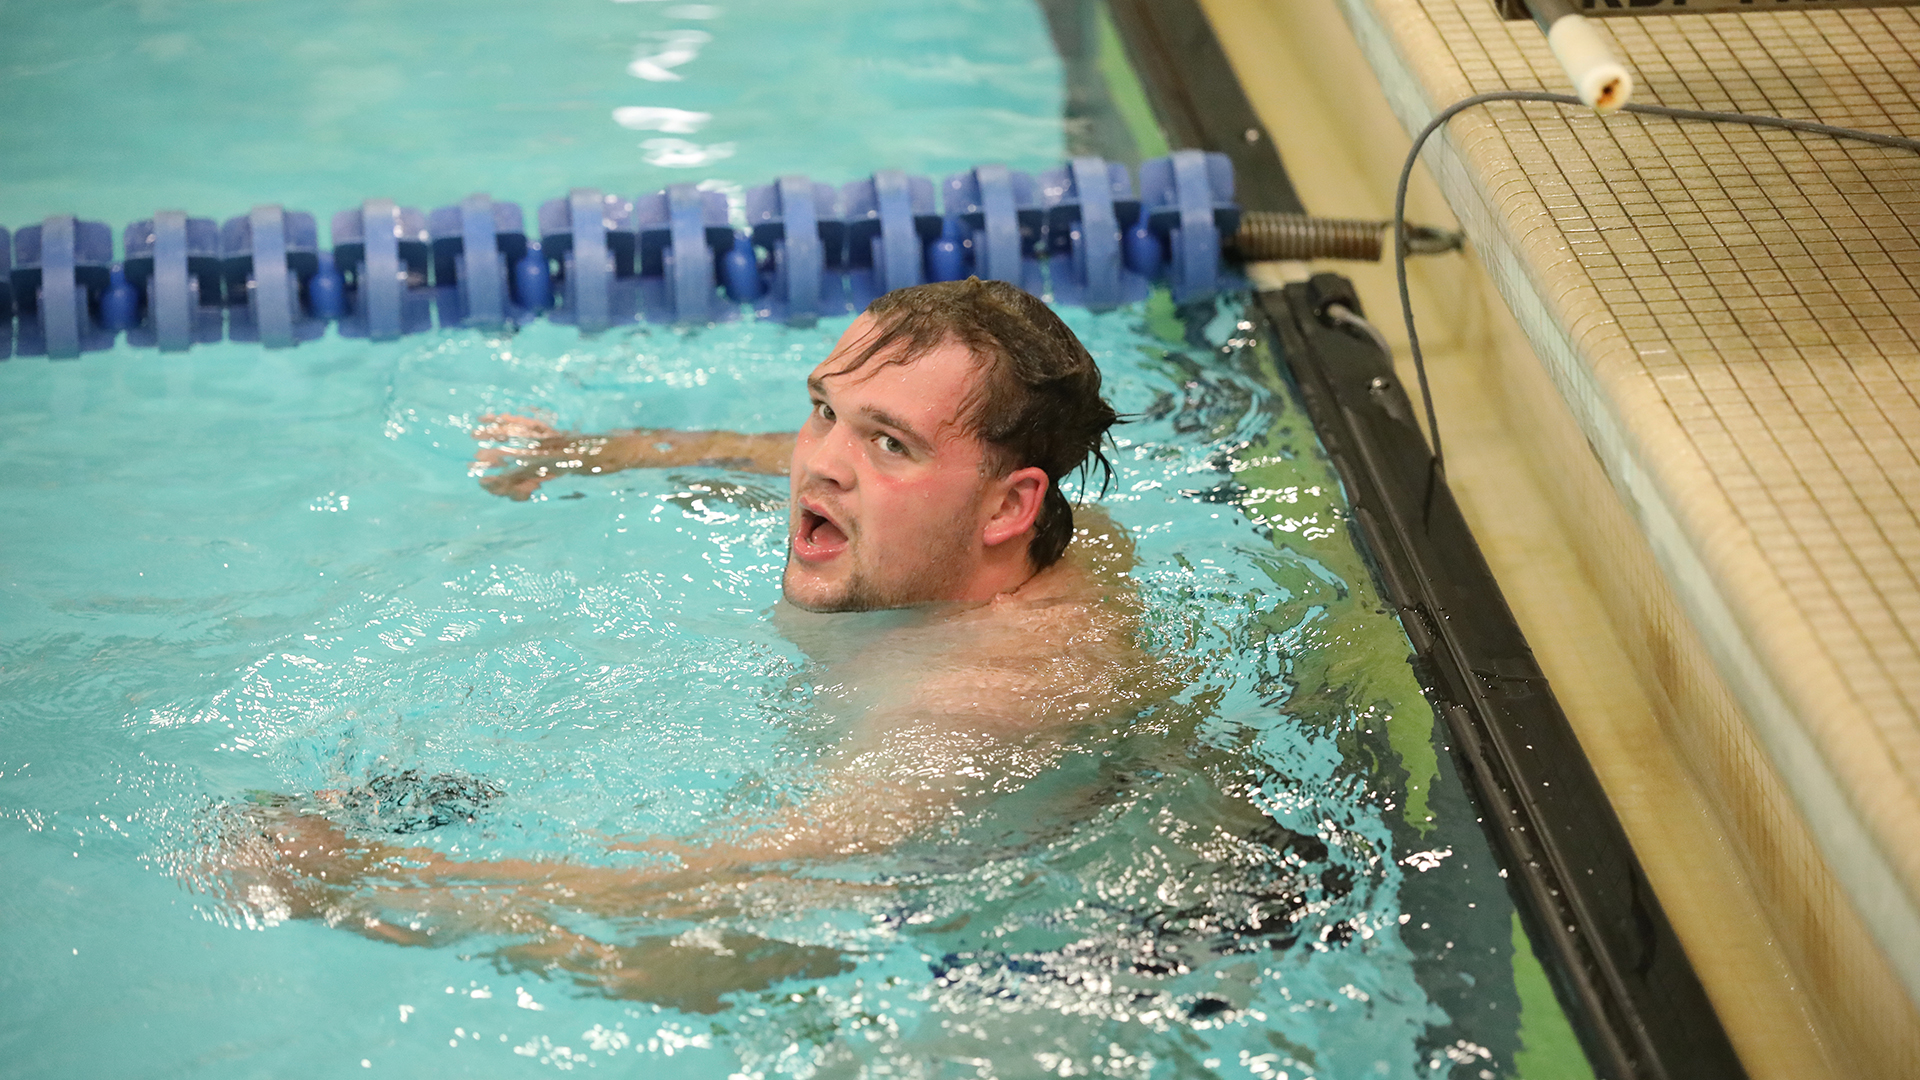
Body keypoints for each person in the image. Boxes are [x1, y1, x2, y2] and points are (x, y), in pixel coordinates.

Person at [225, 278, 1162, 1008]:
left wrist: (362, 880)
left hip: (1087, 965)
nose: (820, 460)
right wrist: (612, 452)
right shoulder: (1053, 539)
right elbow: (779, 450)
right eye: (825, 411)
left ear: (1010, 505)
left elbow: (719, 884)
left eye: (890, 445)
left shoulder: (976, 706)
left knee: (652, 968)